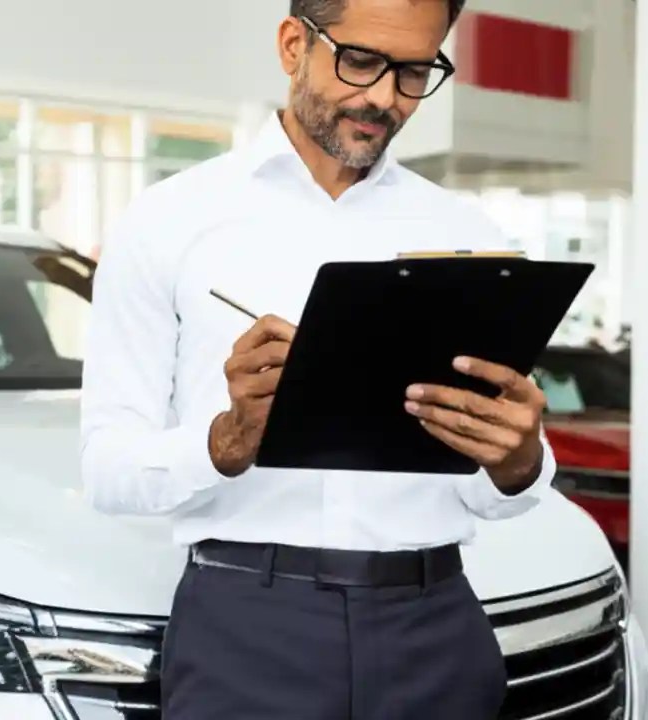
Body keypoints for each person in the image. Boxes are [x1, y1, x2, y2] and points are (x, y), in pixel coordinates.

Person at [79, 1, 558, 718]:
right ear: (292, 44)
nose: (384, 98)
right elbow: (107, 470)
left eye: (415, 72)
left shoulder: (468, 234)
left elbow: (490, 490)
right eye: (361, 61)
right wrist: (223, 442)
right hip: (246, 626)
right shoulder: (169, 219)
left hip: (437, 626)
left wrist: (518, 462)